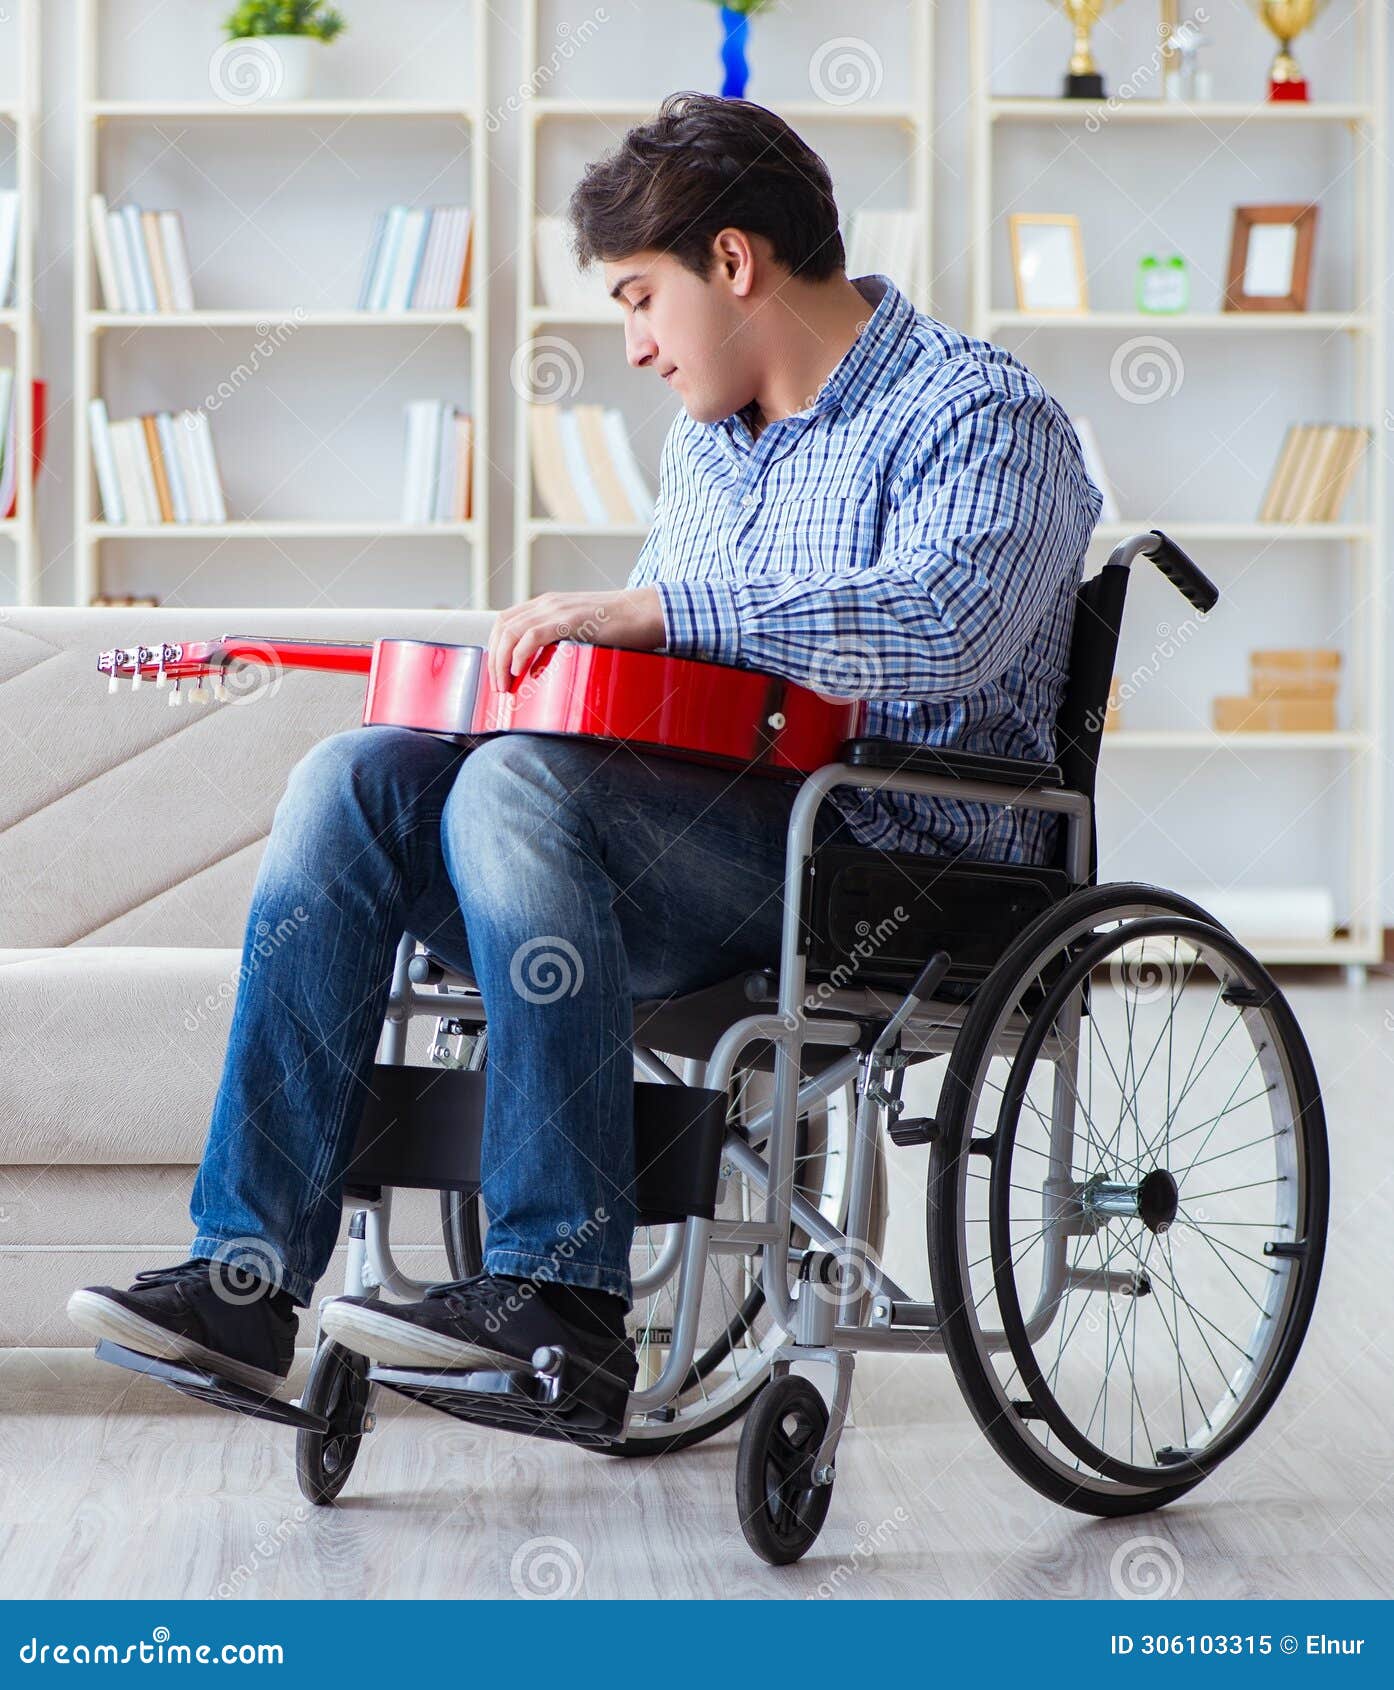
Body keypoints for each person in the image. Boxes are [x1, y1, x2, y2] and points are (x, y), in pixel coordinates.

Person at [67, 91, 1102, 1400]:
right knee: (355, 777)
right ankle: (247, 1279)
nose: (629, 346)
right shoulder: (705, 451)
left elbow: (947, 627)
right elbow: (660, 692)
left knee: (515, 786)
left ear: (733, 263)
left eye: (634, 297)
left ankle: (559, 1292)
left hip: (885, 868)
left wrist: (659, 610)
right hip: (694, 848)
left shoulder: (980, 414)